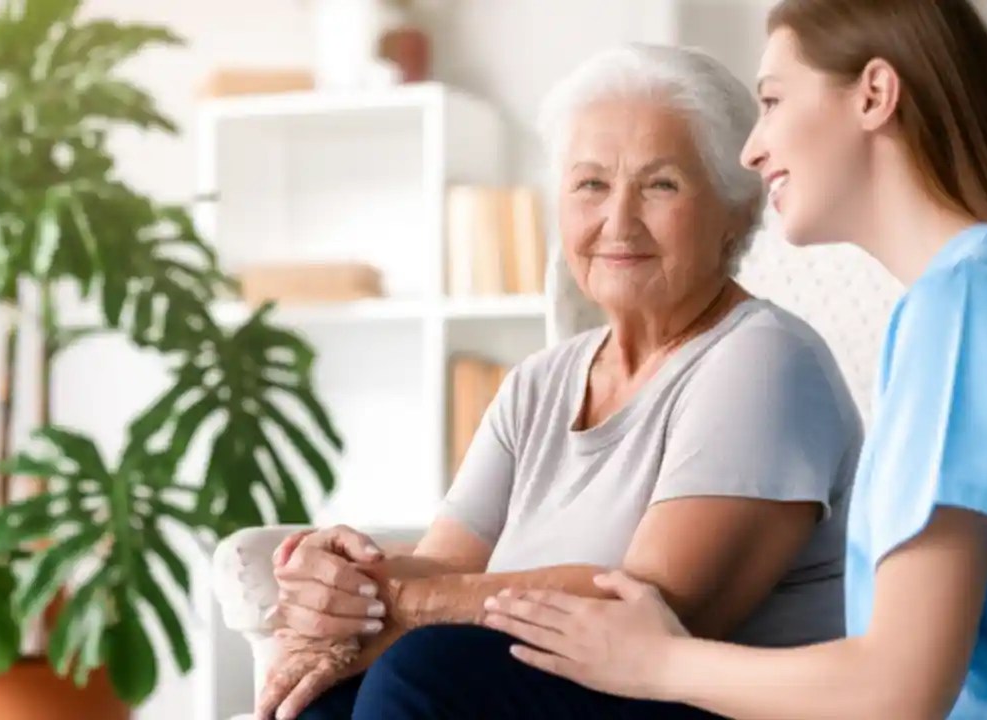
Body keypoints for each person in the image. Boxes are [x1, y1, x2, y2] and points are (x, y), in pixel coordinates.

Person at [483, 1, 987, 718]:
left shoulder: (975, 308)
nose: (752, 150)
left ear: (875, 95)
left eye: (772, 101)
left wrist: (657, 661)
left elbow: (898, 687)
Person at [255, 44, 863, 720]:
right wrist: (343, 587)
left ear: (736, 213)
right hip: (556, 692)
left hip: (693, 702)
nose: (618, 221)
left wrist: (396, 605)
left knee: (426, 669)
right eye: (591, 185)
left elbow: (649, 606)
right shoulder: (538, 383)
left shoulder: (764, 361)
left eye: (661, 185)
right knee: (326, 696)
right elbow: (442, 564)